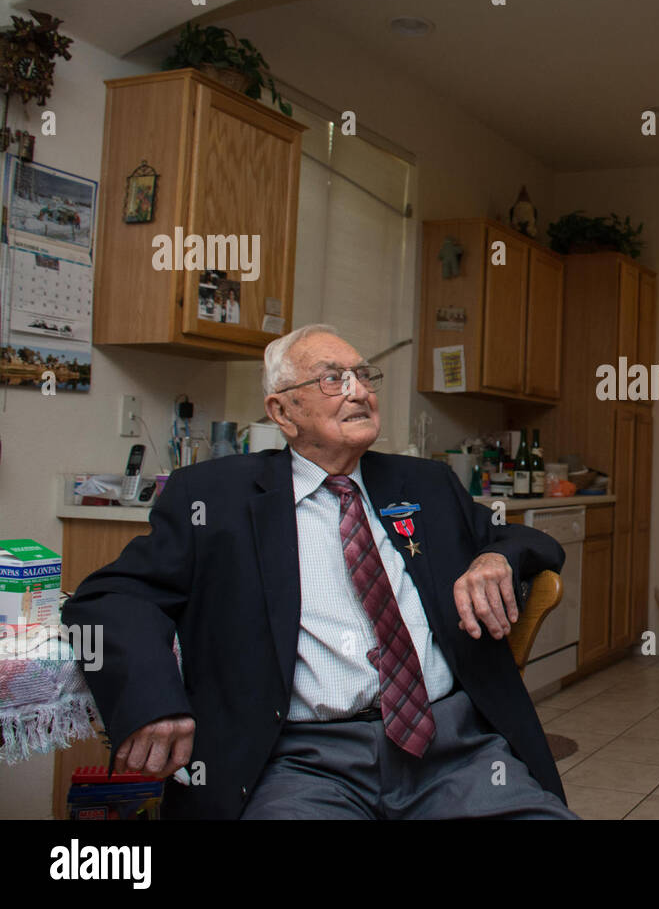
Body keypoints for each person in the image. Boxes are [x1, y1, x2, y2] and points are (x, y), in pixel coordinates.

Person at [64, 323, 577, 819]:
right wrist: (154, 701)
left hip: (454, 751)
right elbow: (112, 597)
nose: (359, 392)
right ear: (282, 411)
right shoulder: (214, 497)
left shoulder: (425, 484)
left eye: (364, 376)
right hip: (301, 764)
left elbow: (530, 541)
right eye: (333, 379)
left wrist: (495, 558)